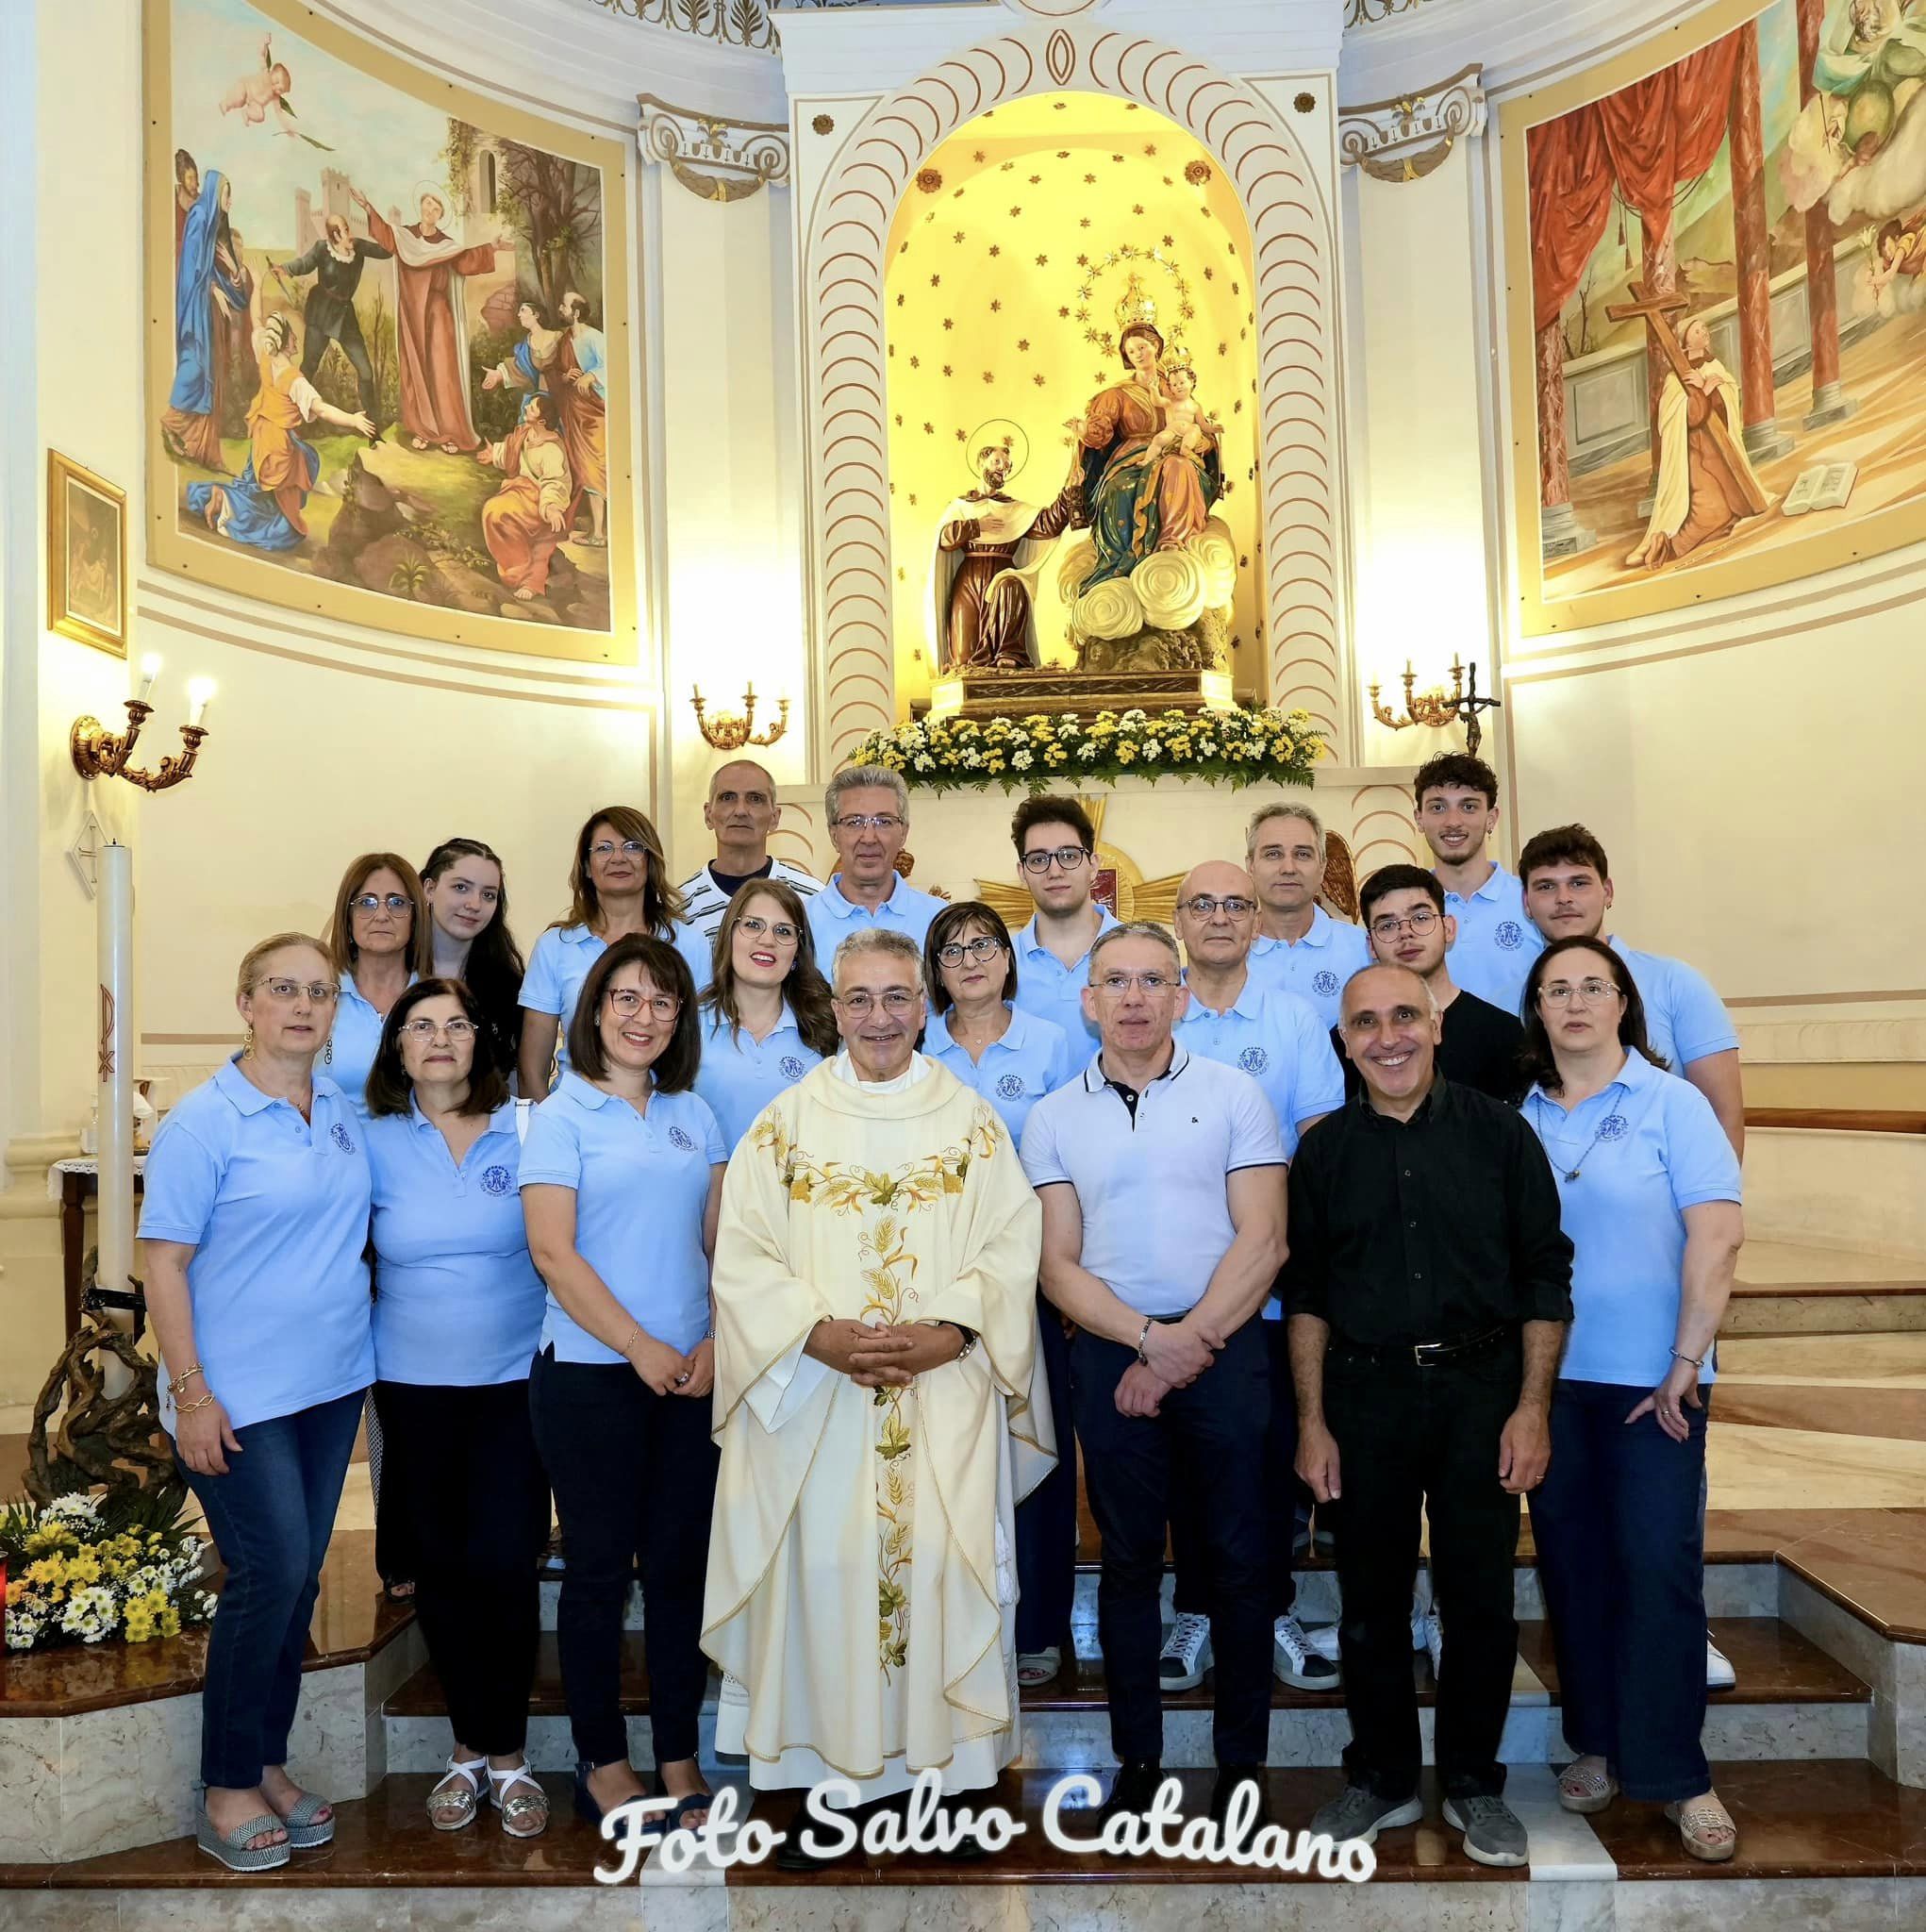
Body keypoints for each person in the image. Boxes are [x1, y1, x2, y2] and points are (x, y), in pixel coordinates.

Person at [704, 928, 1053, 1860]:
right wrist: (817, 1336)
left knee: (936, 1569)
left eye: (897, 996)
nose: (878, 1017)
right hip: (814, 1400)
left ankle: (946, 1782)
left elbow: (1010, 1245)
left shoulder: (969, 1120)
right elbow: (741, 1253)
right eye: (858, 998)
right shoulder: (784, 1123)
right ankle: (826, 1782)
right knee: (824, 1575)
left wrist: (944, 1334)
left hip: (941, 1396)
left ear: (923, 1004)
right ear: (833, 1004)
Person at [1286, 964, 1572, 1868]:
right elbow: (1308, 1294)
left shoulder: (1502, 1136)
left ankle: (1476, 1785)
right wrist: (1312, 1421)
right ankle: (1381, 1779)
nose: (1387, 1036)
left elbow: (1544, 1279)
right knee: (1369, 1602)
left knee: (1478, 1600)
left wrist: (1532, 1409)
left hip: (1481, 1394)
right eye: (1365, 1023)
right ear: (1345, 1042)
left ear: (1437, 1025)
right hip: (1363, 1398)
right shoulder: (1325, 1152)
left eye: (1404, 1015)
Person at [1022, 923, 1288, 1827]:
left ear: (1181, 994)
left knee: (1241, 1563)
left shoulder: (1233, 1094)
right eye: (1115, 983)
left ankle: (1242, 1764)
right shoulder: (1054, 1115)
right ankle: (1139, 1759)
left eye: (1152, 981)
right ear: (1087, 1001)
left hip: (1226, 1346)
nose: (1134, 998)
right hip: (1112, 1352)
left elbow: (1266, 1237)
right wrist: (1146, 1341)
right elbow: (1057, 1265)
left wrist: (1187, 1346)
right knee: (1130, 1563)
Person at [138, 934, 374, 1873]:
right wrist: (191, 1394)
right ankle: (227, 1782)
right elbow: (164, 1261)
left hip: (326, 1385)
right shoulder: (207, 1120)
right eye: (284, 988)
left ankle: (268, 1758)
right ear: (246, 1001)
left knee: (299, 1577)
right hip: (235, 1395)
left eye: (320, 991)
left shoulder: (342, 1109)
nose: (304, 1005)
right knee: (269, 1572)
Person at [1518, 938, 1745, 1863]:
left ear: (1622, 1002)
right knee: (1572, 1568)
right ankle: (1597, 1741)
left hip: (1656, 1382)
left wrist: (1685, 1358)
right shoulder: (1516, 1115)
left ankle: (1679, 1772)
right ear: (1535, 1009)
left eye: (1590, 986)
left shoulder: (1671, 1101)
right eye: (1554, 988)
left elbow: (1716, 1232)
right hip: (1549, 1384)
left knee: (1656, 1569)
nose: (1573, 1001)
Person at [521, 935, 726, 1836]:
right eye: (628, 999)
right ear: (594, 1009)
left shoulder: (695, 1115)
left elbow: (728, 1245)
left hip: (692, 1379)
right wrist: (640, 1344)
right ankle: (601, 1757)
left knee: (682, 1572)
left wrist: (719, 1337)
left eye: (664, 1002)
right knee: (601, 1571)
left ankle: (678, 1750)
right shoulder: (558, 1116)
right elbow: (553, 1254)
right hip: (593, 1377)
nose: (645, 1017)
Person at [363, 980, 549, 1839]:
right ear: (397, 1047)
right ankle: (466, 1750)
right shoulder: (369, 1141)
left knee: (507, 1567)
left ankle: (505, 1755)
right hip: (411, 1386)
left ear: (482, 1041)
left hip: (515, 1384)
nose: (440, 1039)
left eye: (456, 1025)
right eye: (420, 1026)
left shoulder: (527, 1128)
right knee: (440, 1573)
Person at [1159, 864, 1344, 1695]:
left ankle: (1271, 1608)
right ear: (1179, 920)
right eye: (1205, 904)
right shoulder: (1155, 1013)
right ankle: (1195, 1606)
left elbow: (1323, 1145)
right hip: (1174, 1287)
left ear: (1255, 920)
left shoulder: (1297, 1018)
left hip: (1269, 1283)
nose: (1223, 917)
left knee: (1269, 1457)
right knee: (1191, 1459)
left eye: (1237, 903)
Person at [922, 901, 1077, 1688]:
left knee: (1035, 1445)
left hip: (1031, 1282)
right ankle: (955, 1618)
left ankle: (1041, 1627)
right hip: (934, 1285)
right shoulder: (916, 1048)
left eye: (986, 943)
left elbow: (1075, 1158)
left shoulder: (1051, 1044)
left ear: (1009, 957)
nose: (972, 958)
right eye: (953, 948)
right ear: (935, 968)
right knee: (949, 1455)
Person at [1519, 825, 1742, 1158]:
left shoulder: (1675, 982)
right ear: (1526, 902)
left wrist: (1712, 1204)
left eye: (1579, 883)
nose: (1563, 898)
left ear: (1607, 892)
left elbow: (1724, 1119)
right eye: (1546, 886)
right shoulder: (1518, 997)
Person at [518, 807, 707, 1094]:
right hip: (574, 1111)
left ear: (650, 861)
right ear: (586, 867)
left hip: (662, 1107)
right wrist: (548, 1127)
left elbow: (701, 1045)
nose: (618, 858)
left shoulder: (690, 943)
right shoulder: (555, 945)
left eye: (633, 847)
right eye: (604, 848)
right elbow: (533, 1066)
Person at [188, 303, 376, 550]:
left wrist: (257, 285)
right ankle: (227, 501)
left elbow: (256, 319)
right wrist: (353, 419)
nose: (297, 339)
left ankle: (226, 497)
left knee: (285, 468)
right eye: (293, 336)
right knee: (287, 531)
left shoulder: (265, 357)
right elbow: (320, 409)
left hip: (261, 436)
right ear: (285, 342)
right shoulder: (294, 379)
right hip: (278, 446)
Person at [1345, 864, 1526, 1103]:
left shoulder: (1503, 1032)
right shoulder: (1354, 1041)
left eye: (1420, 918)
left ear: (1448, 928)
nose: (1405, 933)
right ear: (1371, 945)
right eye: (1387, 925)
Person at [351, 185, 509, 454]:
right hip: (412, 313)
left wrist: (492, 247)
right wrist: (367, 207)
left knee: (443, 371)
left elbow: (466, 260)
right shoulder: (405, 237)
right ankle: (423, 431)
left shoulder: (446, 246)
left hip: (438, 313)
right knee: (417, 371)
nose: (431, 211)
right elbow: (386, 236)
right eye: (428, 204)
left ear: (440, 214)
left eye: (437, 208)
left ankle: (449, 434)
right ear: (420, 206)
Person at [1069, 321, 1221, 587]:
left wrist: (1201, 443)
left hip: (1176, 448)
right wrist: (1084, 429)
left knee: (1180, 469)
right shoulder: (1117, 394)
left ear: (1156, 347)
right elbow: (1101, 429)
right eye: (1131, 351)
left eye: (1143, 347)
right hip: (1132, 456)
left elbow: (1200, 425)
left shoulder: (1177, 386)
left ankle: (1173, 545)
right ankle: (1122, 562)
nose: (1138, 354)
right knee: (1120, 488)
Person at [694, 880, 838, 1148]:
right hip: (713, 1189)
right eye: (752, 925)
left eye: (783, 931)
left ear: (797, 952)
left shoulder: (824, 1026)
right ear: (729, 935)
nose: (767, 940)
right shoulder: (690, 1023)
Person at [1626, 317, 1768, 571]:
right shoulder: (1675, 378)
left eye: (1704, 328)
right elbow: (1685, 417)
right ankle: (1665, 546)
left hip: (1721, 451)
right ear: (1685, 341)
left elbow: (1729, 401)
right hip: (1696, 455)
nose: (1705, 332)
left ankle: (1673, 543)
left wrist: (1714, 389)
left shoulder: (1715, 365)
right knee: (1708, 512)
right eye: (1697, 330)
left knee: (1730, 507)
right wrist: (1703, 391)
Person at [1411, 753, 1542, 1016]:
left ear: (1491, 818)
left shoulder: (1530, 901)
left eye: (1468, 807)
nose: (1453, 822)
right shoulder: (1405, 909)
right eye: (1438, 807)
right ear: (1419, 818)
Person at [675, 758, 821, 959]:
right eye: (727, 797)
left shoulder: (811, 899)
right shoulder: (679, 909)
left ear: (775, 817)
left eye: (755, 799)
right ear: (709, 815)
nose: (741, 811)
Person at [320, 853, 430, 1114]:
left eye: (397, 903)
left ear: (415, 919)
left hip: (417, 1148)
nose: (382, 915)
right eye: (366, 903)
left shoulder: (436, 998)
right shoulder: (319, 994)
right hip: (335, 1148)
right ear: (348, 918)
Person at [1245, 802, 1370, 1029]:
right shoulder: (1230, 952)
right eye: (1273, 854)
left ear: (1322, 867)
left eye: (1302, 854)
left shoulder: (1362, 949)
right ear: (1251, 866)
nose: (1288, 868)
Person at [1007, 794, 1117, 1055]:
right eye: (1038, 859)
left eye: (1068, 856)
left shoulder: (1138, 953)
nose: (1054, 871)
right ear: (1022, 873)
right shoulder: (1001, 965)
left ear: (1093, 865)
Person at [804, 765, 944, 963]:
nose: (869, 838)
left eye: (884, 821)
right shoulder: (801, 921)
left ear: (903, 833)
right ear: (833, 835)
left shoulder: (939, 919)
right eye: (854, 822)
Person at [273, 214, 391, 443]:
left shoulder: (358, 247)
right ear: (336, 235)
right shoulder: (321, 249)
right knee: (308, 367)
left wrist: (393, 234)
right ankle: (290, 426)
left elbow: (386, 251)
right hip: (320, 313)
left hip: (345, 317)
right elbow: (304, 263)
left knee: (366, 371)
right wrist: (285, 268)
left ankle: (373, 434)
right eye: (345, 229)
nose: (350, 233)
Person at [420, 837, 524, 1082]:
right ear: (429, 889)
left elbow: (512, 1083)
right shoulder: (392, 973)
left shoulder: (507, 987)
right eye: (461, 888)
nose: (474, 904)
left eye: (488, 895)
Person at [163, 170, 247, 472]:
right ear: (216, 192)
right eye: (228, 194)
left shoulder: (214, 225)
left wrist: (231, 280)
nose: (231, 201)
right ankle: (173, 422)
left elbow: (228, 275)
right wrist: (213, 289)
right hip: (197, 311)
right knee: (197, 369)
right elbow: (192, 268)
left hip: (210, 313)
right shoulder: (199, 218)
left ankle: (207, 452)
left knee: (213, 380)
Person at [477, 393, 574, 602]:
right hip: (519, 493)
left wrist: (551, 507)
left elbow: (554, 482)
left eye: (531, 408)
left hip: (538, 502)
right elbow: (512, 450)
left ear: (542, 420)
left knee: (498, 514)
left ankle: (524, 576)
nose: (526, 408)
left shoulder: (551, 449)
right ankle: (514, 568)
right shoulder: (525, 433)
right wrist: (494, 453)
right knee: (494, 514)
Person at [555, 291, 609, 545]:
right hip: (575, 412)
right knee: (586, 471)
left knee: (598, 467)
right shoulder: (566, 339)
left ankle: (604, 532)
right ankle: (597, 533)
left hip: (596, 411)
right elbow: (559, 371)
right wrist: (566, 378)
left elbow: (612, 364)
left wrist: (592, 376)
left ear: (575, 313)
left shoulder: (595, 337)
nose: (560, 309)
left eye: (564, 306)